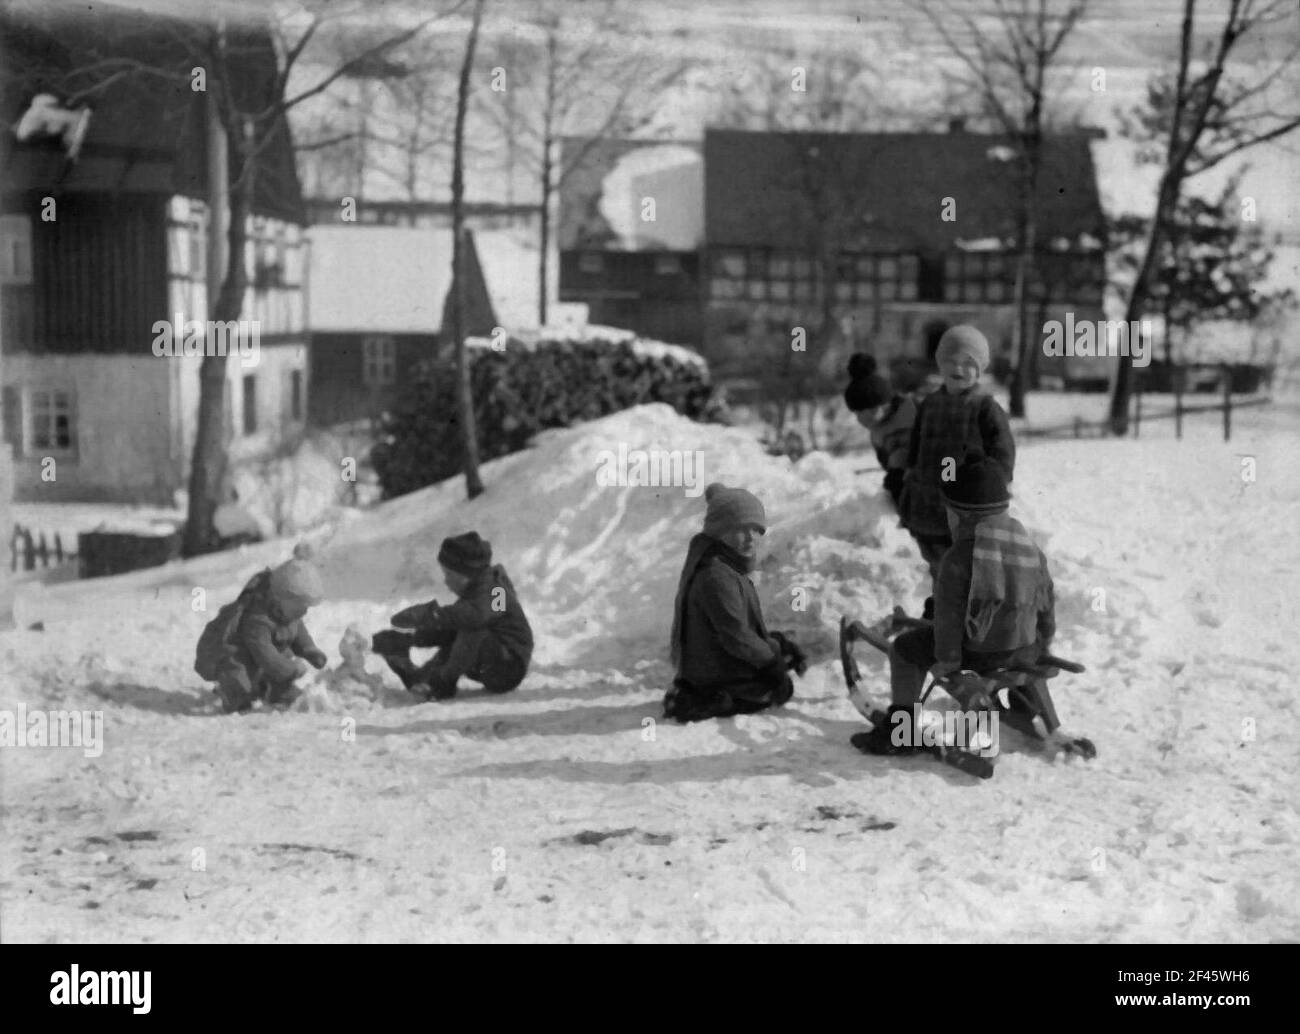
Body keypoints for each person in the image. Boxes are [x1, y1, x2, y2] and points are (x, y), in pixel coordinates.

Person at [853, 449, 1074, 756]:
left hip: (980, 654)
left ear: (960, 513)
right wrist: (1043, 645)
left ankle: (900, 729)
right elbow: (1046, 602)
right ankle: (1029, 707)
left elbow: (949, 618)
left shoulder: (960, 556)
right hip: (1024, 650)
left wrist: (949, 659)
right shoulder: (1029, 548)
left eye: (950, 513)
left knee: (905, 648)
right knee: (1007, 634)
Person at [664, 483, 806, 722]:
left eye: (755, 529)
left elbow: (740, 629)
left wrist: (776, 646)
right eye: (740, 530)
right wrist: (772, 664)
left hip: (713, 662)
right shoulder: (716, 576)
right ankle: (709, 699)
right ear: (719, 532)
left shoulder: (725, 565)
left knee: (778, 656)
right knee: (777, 689)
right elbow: (736, 635)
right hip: (714, 671)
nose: (750, 538)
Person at [898, 324, 1015, 611]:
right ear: (940, 364)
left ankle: (963, 613)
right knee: (936, 562)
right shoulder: (929, 404)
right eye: (951, 361)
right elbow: (916, 446)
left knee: (964, 564)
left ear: (980, 370)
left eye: (968, 364)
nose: (958, 369)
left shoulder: (985, 407)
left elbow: (1002, 453)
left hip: (966, 508)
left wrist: (993, 490)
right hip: (927, 503)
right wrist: (909, 475)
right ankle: (942, 609)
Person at [371, 531, 533, 701]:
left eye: (450, 575)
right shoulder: (475, 593)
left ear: (468, 575)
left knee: (471, 628)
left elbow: (480, 616)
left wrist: (429, 615)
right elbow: (452, 625)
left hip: (509, 667)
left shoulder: (498, 591)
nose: (446, 581)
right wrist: (410, 639)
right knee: (457, 629)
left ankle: (442, 682)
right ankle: (424, 678)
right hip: (486, 661)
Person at [195, 543, 328, 713]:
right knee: (240, 678)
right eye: (299, 606)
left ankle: (277, 692)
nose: (303, 611)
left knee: (282, 659)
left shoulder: (287, 613)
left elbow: (298, 631)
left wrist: (309, 649)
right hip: (238, 655)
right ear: (280, 598)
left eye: (305, 606)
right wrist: (291, 669)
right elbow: (266, 655)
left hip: (265, 658)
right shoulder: (257, 621)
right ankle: (233, 695)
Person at [843, 353, 918, 509]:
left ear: (886, 405)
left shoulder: (911, 411)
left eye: (871, 410)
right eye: (858, 413)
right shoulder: (877, 430)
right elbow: (887, 460)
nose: (865, 418)